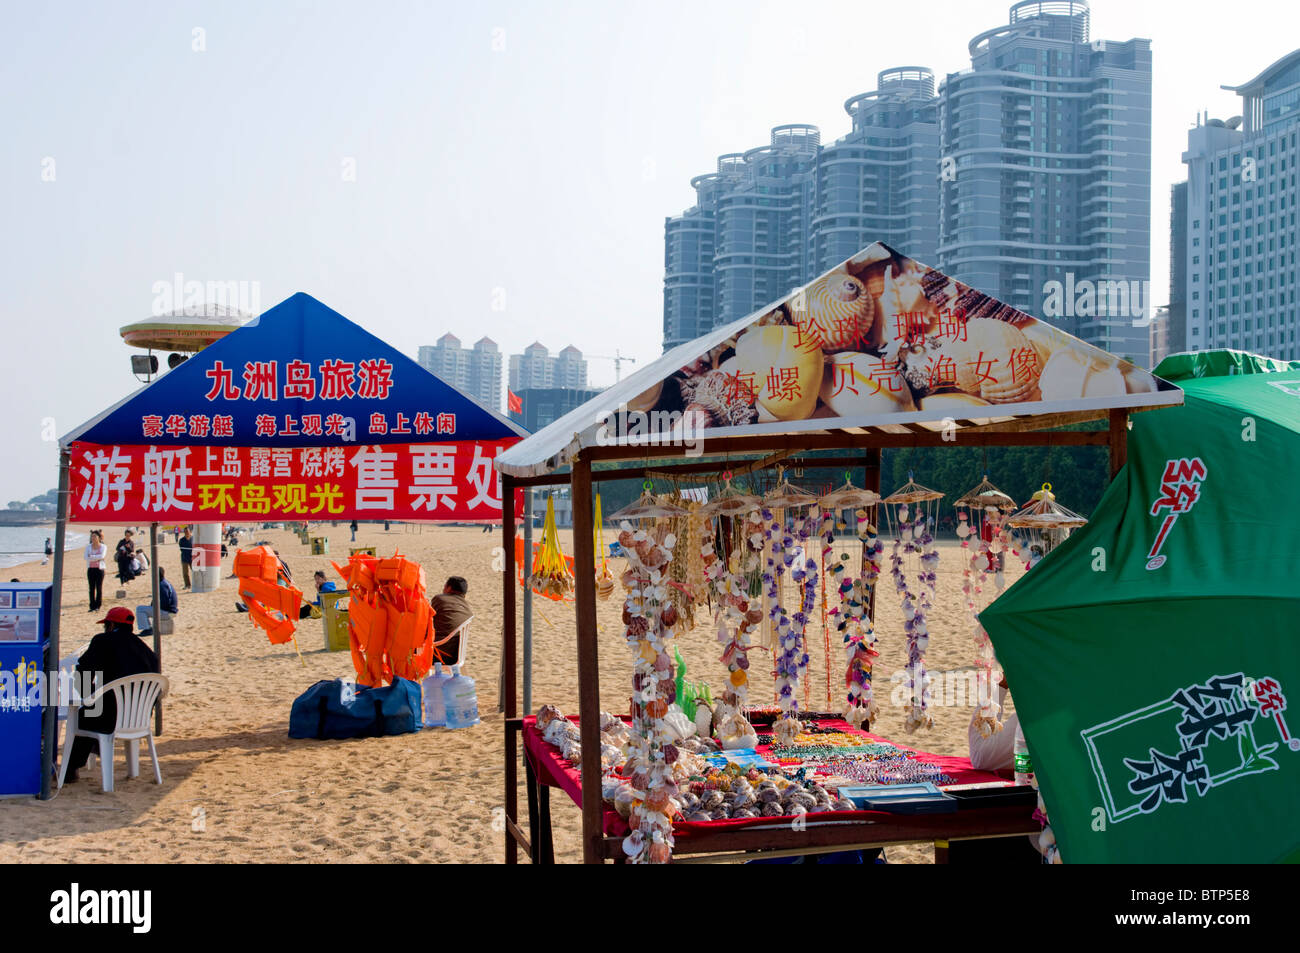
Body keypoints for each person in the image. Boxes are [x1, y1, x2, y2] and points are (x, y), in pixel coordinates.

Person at [62, 607, 160, 783]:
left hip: (110, 718)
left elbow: (83, 673)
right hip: (140, 718)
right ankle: (111, 757)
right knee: (93, 710)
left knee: (83, 714)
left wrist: (88, 698)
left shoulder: (103, 641)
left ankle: (71, 769)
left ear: (111, 624)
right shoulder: (146, 650)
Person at [430, 576, 472, 665]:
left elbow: (427, 621)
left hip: (438, 654)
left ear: (448, 588)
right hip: (457, 656)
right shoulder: (467, 607)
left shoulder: (440, 599)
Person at [136, 567, 178, 636]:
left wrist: (153, 607)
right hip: (170, 611)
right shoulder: (164, 583)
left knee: (140, 609)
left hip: (167, 612)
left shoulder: (162, 585)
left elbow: (165, 602)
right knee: (144, 609)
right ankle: (148, 628)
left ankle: (148, 629)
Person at [84, 530, 107, 612]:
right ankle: (92, 606)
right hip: (91, 569)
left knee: (99, 587)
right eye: (92, 536)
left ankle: (98, 605)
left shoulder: (103, 546)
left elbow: (102, 556)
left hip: (100, 569)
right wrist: (96, 557)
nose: (93, 538)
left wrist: (92, 556)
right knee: (91, 588)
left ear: (99, 537)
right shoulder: (88, 547)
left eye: (95, 536)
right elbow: (86, 557)